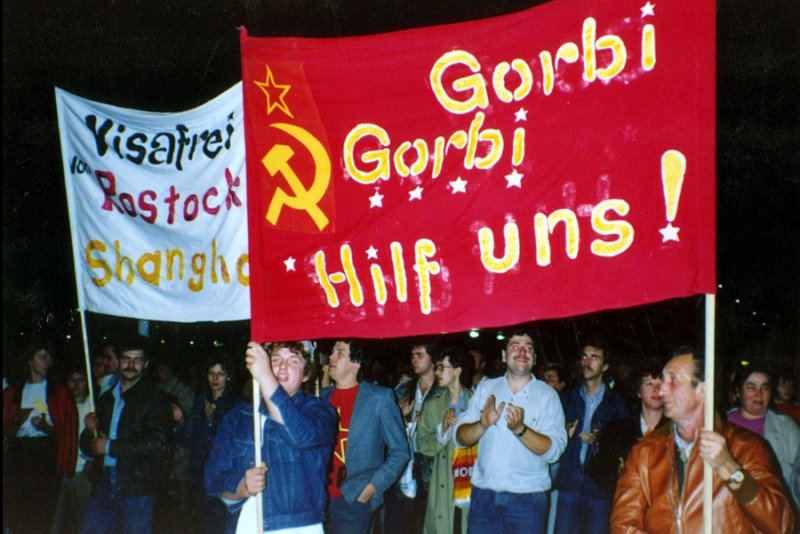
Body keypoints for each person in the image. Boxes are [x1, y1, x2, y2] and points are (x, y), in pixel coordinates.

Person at [611, 347, 795, 533]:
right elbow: (624, 525)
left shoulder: (747, 447)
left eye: (672, 380)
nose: (662, 389)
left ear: (702, 388)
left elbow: (781, 525)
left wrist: (729, 468)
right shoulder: (644, 452)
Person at [205, 341, 337, 533]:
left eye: (293, 361)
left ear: (306, 374)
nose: (282, 367)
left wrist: (266, 376)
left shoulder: (320, 412)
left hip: (297, 528)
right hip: (244, 525)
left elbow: (301, 435)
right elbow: (213, 476)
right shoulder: (238, 416)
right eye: (275, 360)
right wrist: (241, 487)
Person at [454, 331, 567, 534]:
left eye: (528, 347)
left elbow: (554, 451)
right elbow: (460, 438)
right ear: (504, 355)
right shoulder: (485, 388)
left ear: (535, 359)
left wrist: (520, 429)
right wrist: (482, 424)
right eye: (515, 345)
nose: (522, 351)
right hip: (483, 498)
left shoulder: (548, 396)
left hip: (528, 501)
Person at [79, 334, 173, 534]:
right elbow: (88, 447)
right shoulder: (105, 399)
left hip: (137, 487)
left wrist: (111, 446)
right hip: (102, 483)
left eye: (137, 359)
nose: (131, 364)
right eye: (126, 358)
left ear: (145, 364)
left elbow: (157, 443)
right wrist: (88, 431)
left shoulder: (156, 399)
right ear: (118, 361)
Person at [322, 339, 410, 534]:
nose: (331, 357)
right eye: (332, 352)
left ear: (356, 362)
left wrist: (371, 489)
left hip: (353, 499)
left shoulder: (379, 398)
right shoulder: (321, 397)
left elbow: (400, 451)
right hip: (319, 499)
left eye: (339, 352)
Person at [554, 340, 630, 534]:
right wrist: (563, 431)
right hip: (569, 483)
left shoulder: (617, 403)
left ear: (605, 366)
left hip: (599, 487)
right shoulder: (567, 399)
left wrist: (601, 439)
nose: (587, 362)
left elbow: (624, 444)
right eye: (584, 356)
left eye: (594, 357)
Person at [3, 341, 78, 534]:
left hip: (45, 455)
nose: (47, 362)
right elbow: (7, 433)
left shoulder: (58, 391)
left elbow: (65, 433)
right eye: (42, 357)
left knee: (43, 510)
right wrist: (17, 422)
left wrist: (45, 427)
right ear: (30, 360)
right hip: (19, 455)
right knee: (18, 509)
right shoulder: (13, 392)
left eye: (49, 358)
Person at [174, 354, 243, 534]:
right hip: (201, 474)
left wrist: (212, 421)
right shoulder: (201, 400)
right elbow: (190, 440)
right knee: (206, 524)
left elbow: (232, 442)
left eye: (220, 374)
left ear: (228, 376)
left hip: (225, 474)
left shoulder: (237, 404)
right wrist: (181, 421)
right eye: (211, 373)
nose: (215, 378)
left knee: (225, 523)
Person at [583, 359, 668, 497]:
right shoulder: (617, 430)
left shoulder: (677, 431)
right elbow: (598, 470)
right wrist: (619, 475)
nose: (656, 390)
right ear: (638, 391)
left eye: (661, 384)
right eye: (649, 384)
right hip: (627, 507)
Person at [385, 338, 443, 534]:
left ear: (433, 360)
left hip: (431, 463)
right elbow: (386, 426)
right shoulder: (403, 389)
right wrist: (401, 417)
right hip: (404, 462)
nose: (414, 360)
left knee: (427, 520)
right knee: (401, 521)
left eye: (420, 355)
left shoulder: (444, 390)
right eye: (412, 355)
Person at [417, 347, 474, 534]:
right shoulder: (433, 405)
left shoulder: (478, 403)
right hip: (442, 483)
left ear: (457, 370)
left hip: (471, 482)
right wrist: (442, 435)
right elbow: (421, 443)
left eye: (442, 367)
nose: (437, 372)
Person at [727, 364, 800, 507]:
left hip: (775, 508)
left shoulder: (786, 426)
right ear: (738, 391)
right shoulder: (722, 423)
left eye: (764, 387)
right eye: (751, 387)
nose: (758, 394)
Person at [52, 368, 94, 534]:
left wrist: (91, 460)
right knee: (53, 518)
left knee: (85, 518)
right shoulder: (60, 406)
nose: (76, 384)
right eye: (72, 380)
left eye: (81, 380)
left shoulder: (93, 405)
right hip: (61, 468)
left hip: (82, 470)